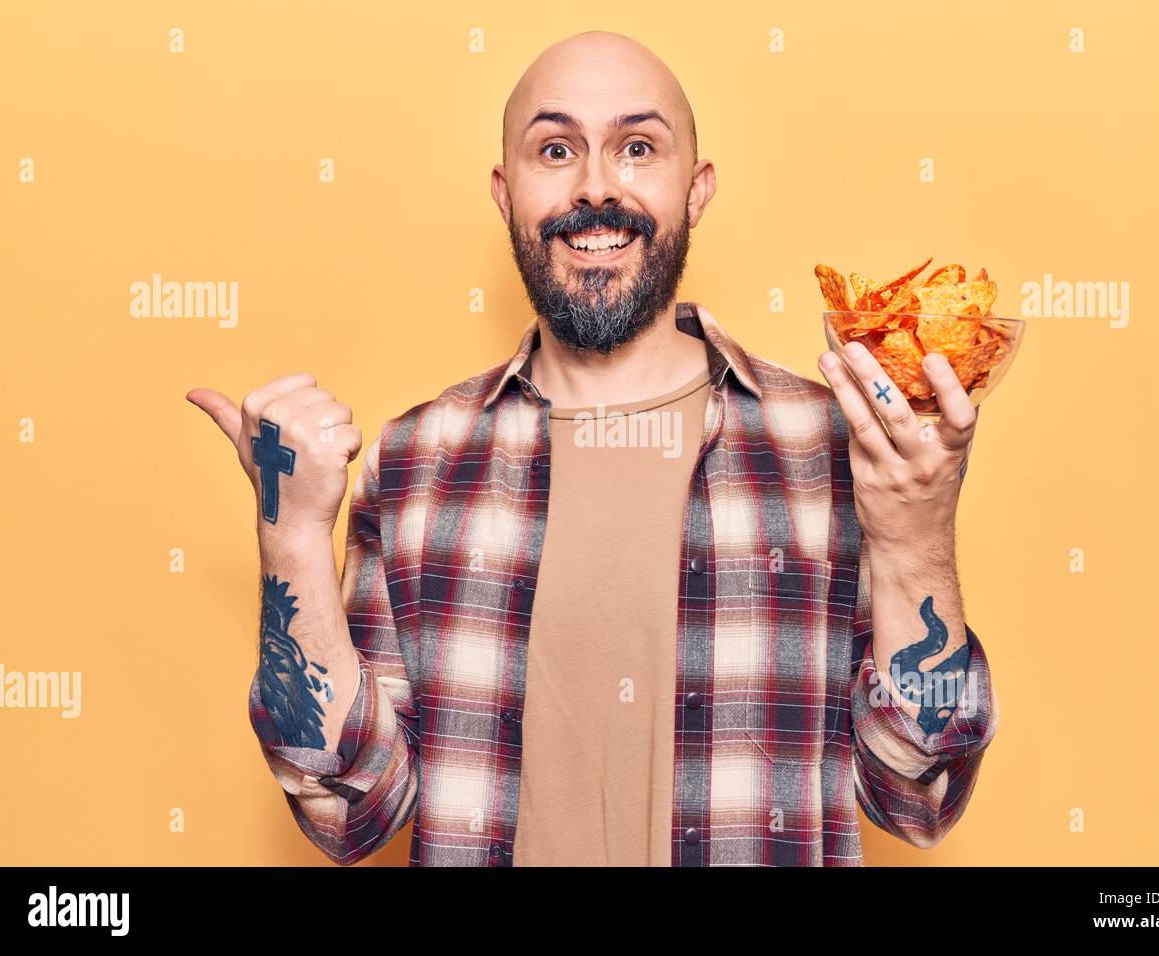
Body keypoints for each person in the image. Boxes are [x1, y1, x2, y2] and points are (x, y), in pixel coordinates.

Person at [186, 30, 998, 867]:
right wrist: (289, 541)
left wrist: (915, 537)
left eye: (638, 147)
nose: (596, 186)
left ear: (697, 188)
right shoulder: (417, 460)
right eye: (556, 149)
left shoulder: (834, 445)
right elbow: (349, 812)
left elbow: (919, 791)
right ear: (505, 194)